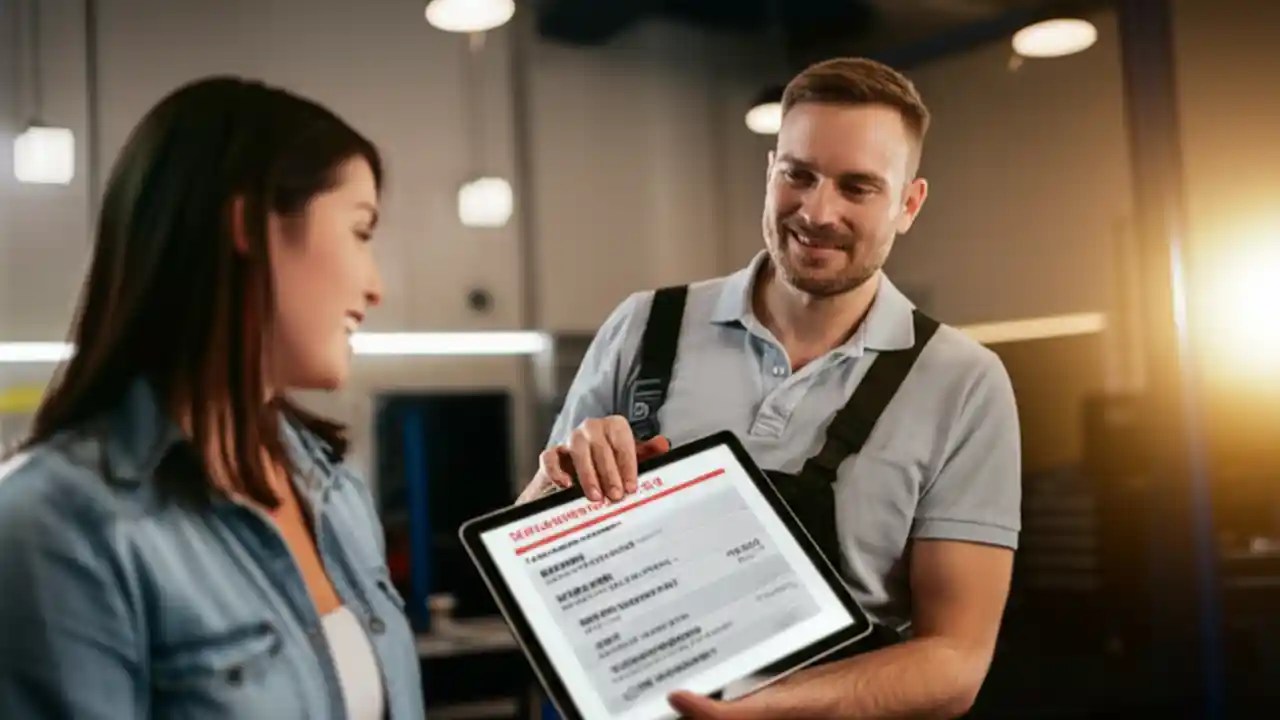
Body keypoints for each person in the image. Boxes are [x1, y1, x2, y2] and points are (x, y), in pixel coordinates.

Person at [518, 57, 1020, 719]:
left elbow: (955, 661)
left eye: (858, 187)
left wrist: (762, 710)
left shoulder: (963, 383)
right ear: (770, 172)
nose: (817, 211)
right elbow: (533, 567)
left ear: (909, 205)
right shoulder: (644, 327)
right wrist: (561, 481)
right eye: (799, 175)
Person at [0, 77, 424, 720]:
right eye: (360, 231)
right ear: (248, 222)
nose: (375, 287)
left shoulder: (333, 490)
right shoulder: (56, 528)